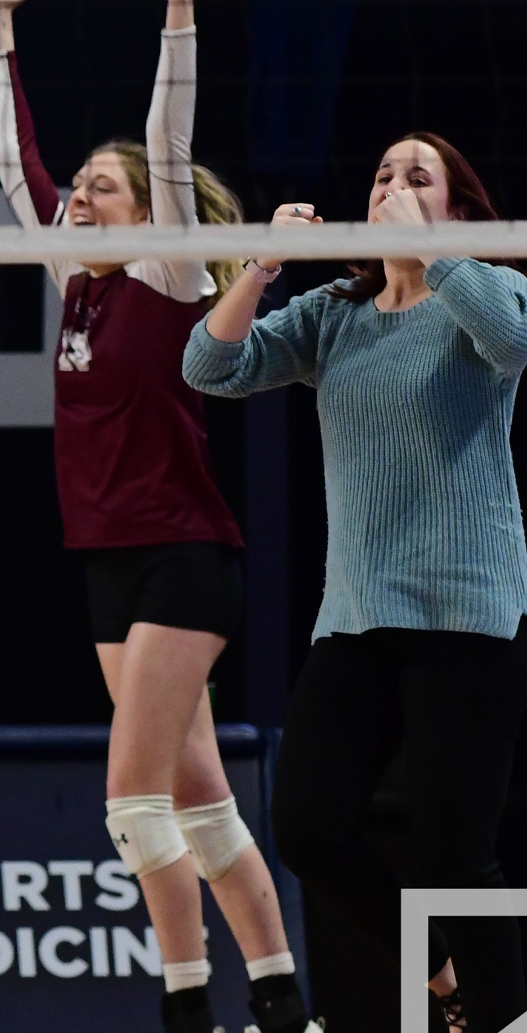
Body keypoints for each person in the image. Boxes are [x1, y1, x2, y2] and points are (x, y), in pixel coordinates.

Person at [0, 0, 311, 1033]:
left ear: (141, 210)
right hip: (103, 558)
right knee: (200, 807)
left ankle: (183, 1010)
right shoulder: (72, 282)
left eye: (99, 193)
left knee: (131, 801)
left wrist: (176, 4)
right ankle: (281, 999)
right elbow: (15, 167)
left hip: (181, 556)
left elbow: (167, 145)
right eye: (80, 195)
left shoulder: (165, 272)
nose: (78, 203)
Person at [186, 133, 527, 1033]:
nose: (393, 187)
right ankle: (443, 981)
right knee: (306, 827)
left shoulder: (487, 294)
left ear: (456, 211)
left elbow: (516, 341)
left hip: (468, 610)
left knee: (458, 851)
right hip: (360, 615)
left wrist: (433, 252)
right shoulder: (334, 314)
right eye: (382, 175)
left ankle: (503, 1021)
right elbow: (209, 368)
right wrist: (261, 266)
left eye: (419, 179)